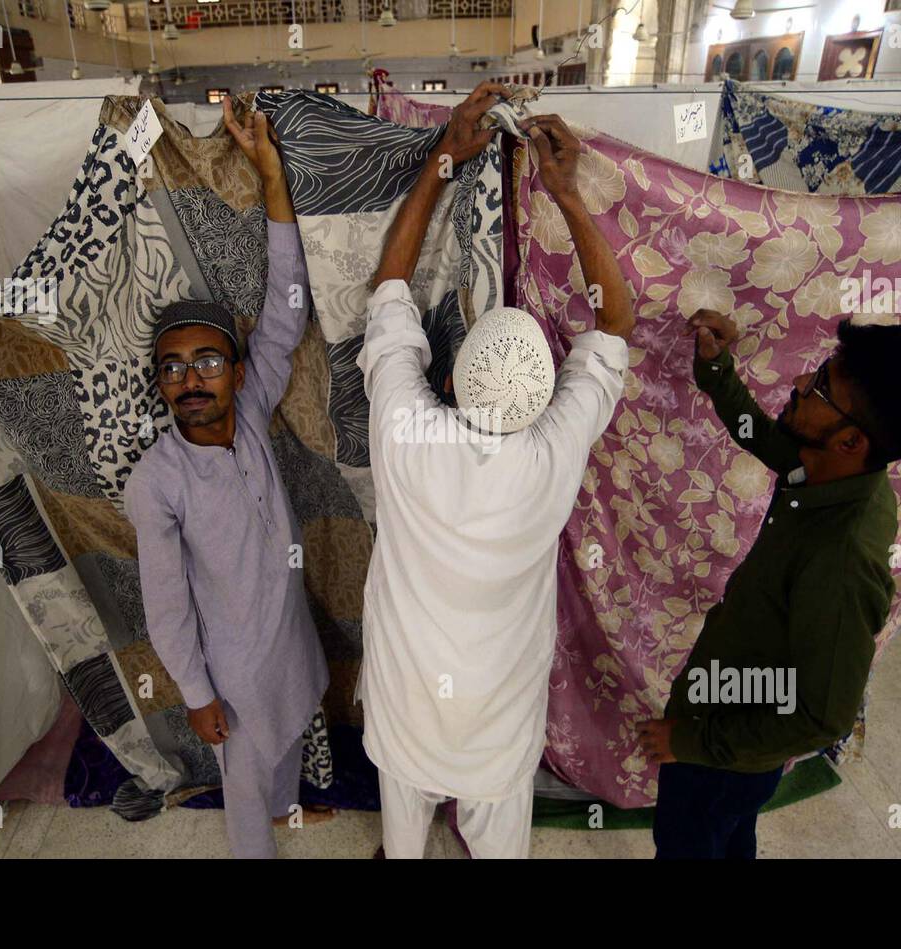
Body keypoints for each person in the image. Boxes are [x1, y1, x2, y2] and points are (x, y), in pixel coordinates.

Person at [355, 84, 637, 859]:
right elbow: (615, 322)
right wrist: (567, 194)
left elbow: (391, 286)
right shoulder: (554, 453)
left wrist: (446, 155)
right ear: (546, 396)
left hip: (407, 706)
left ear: (448, 379)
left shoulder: (405, 429)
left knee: (401, 839)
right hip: (498, 726)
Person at [638, 309, 901, 859]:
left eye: (820, 386)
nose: (799, 383)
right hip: (726, 715)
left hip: (725, 749)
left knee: (691, 841)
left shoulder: (844, 559)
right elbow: (765, 438)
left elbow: (823, 717)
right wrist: (717, 369)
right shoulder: (831, 469)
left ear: (849, 441)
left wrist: (690, 742)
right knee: (728, 838)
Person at [122, 103, 330, 859]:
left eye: (206, 361)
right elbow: (167, 607)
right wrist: (197, 693)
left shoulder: (250, 402)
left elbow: (287, 306)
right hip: (232, 666)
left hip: (287, 635)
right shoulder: (158, 480)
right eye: (171, 369)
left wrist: (272, 175)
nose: (189, 381)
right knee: (242, 780)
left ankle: (284, 810)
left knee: (283, 745)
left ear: (236, 368)